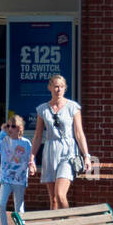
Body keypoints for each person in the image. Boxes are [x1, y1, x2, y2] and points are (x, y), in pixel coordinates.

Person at [30, 74, 91, 211]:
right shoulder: (43, 110)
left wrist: (86, 155)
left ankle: (68, 224)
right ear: (50, 87)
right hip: (51, 151)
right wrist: (32, 157)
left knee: (60, 194)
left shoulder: (73, 107)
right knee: (53, 199)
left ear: (65, 89)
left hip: (68, 152)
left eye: (62, 87)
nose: (59, 90)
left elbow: (79, 133)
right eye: (56, 86)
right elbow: (38, 135)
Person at [0, 115, 31, 225]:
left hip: (19, 180)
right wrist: (2, 132)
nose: (10, 129)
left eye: (13, 126)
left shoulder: (26, 143)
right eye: (8, 126)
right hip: (6, 178)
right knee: (1, 204)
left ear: (19, 128)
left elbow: (30, 159)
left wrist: (31, 166)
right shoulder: (4, 141)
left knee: (18, 208)